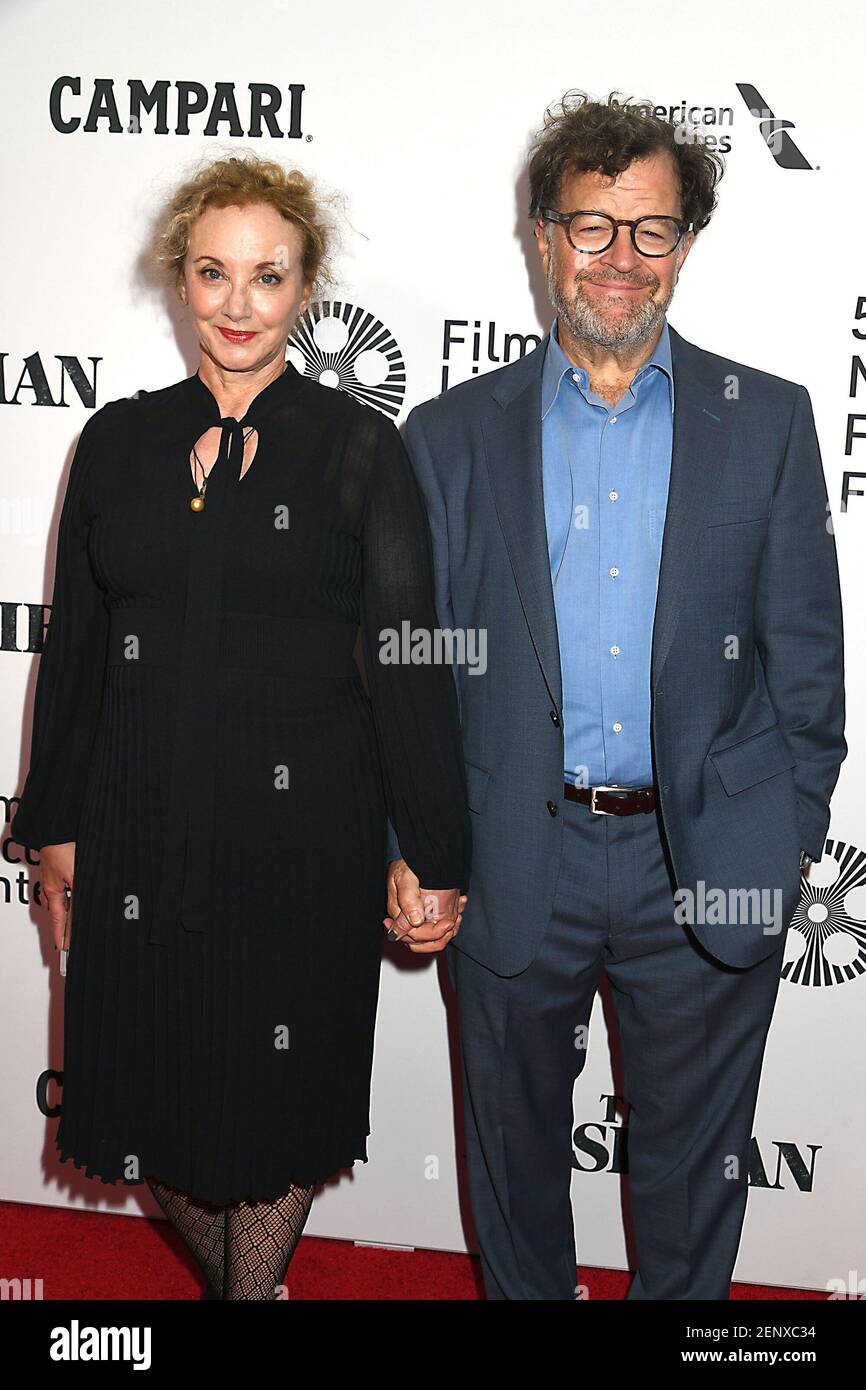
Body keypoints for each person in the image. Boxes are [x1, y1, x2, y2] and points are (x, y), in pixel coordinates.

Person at [386, 91, 846, 1299]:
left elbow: (806, 661)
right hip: (501, 849)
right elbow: (415, 660)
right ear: (543, 238)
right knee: (512, 1157)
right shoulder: (446, 435)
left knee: (693, 1176)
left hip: (701, 854)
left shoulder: (768, 421)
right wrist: (415, 840)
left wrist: (779, 832)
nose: (620, 259)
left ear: (685, 245)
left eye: (650, 230)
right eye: (591, 227)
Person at [12, 154, 471, 1300]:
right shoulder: (116, 441)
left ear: (304, 289)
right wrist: (51, 824)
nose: (235, 302)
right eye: (213, 272)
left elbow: (407, 655)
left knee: (273, 1106)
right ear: (180, 278)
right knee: (148, 1089)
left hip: (301, 837)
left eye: (266, 277)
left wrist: (432, 842)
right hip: (136, 824)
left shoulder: (360, 449)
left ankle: (248, 1293)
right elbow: (73, 648)